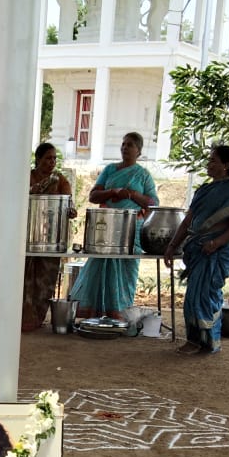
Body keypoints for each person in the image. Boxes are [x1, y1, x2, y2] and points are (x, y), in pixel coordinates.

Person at [163, 145, 229, 356]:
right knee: (193, 295)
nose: (209, 164)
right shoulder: (204, 191)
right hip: (199, 248)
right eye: (209, 160)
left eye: (213, 160)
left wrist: (217, 242)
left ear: (226, 165)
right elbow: (188, 221)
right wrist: (172, 246)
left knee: (205, 294)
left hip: (217, 250)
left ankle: (209, 341)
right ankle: (195, 340)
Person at [70, 131, 158, 320]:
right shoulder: (110, 170)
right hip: (107, 229)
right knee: (100, 268)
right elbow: (93, 196)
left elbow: (153, 203)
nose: (125, 148)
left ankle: (119, 313)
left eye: (130, 145)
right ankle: (94, 313)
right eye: (124, 144)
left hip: (131, 231)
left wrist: (132, 195)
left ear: (139, 151)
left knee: (125, 271)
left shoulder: (143, 175)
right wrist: (112, 192)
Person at [23, 142, 77, 332]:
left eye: (54, 158)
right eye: (47, 158)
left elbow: (68, 203)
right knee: (25, 279)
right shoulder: (26, 177)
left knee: (46, 280)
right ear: (37, 159)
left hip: (51, 239)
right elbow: (19, 196)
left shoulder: (60, 180)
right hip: (27, 237)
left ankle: (37, 318)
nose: (51, 162)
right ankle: (23, 318)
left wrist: (71, 211)